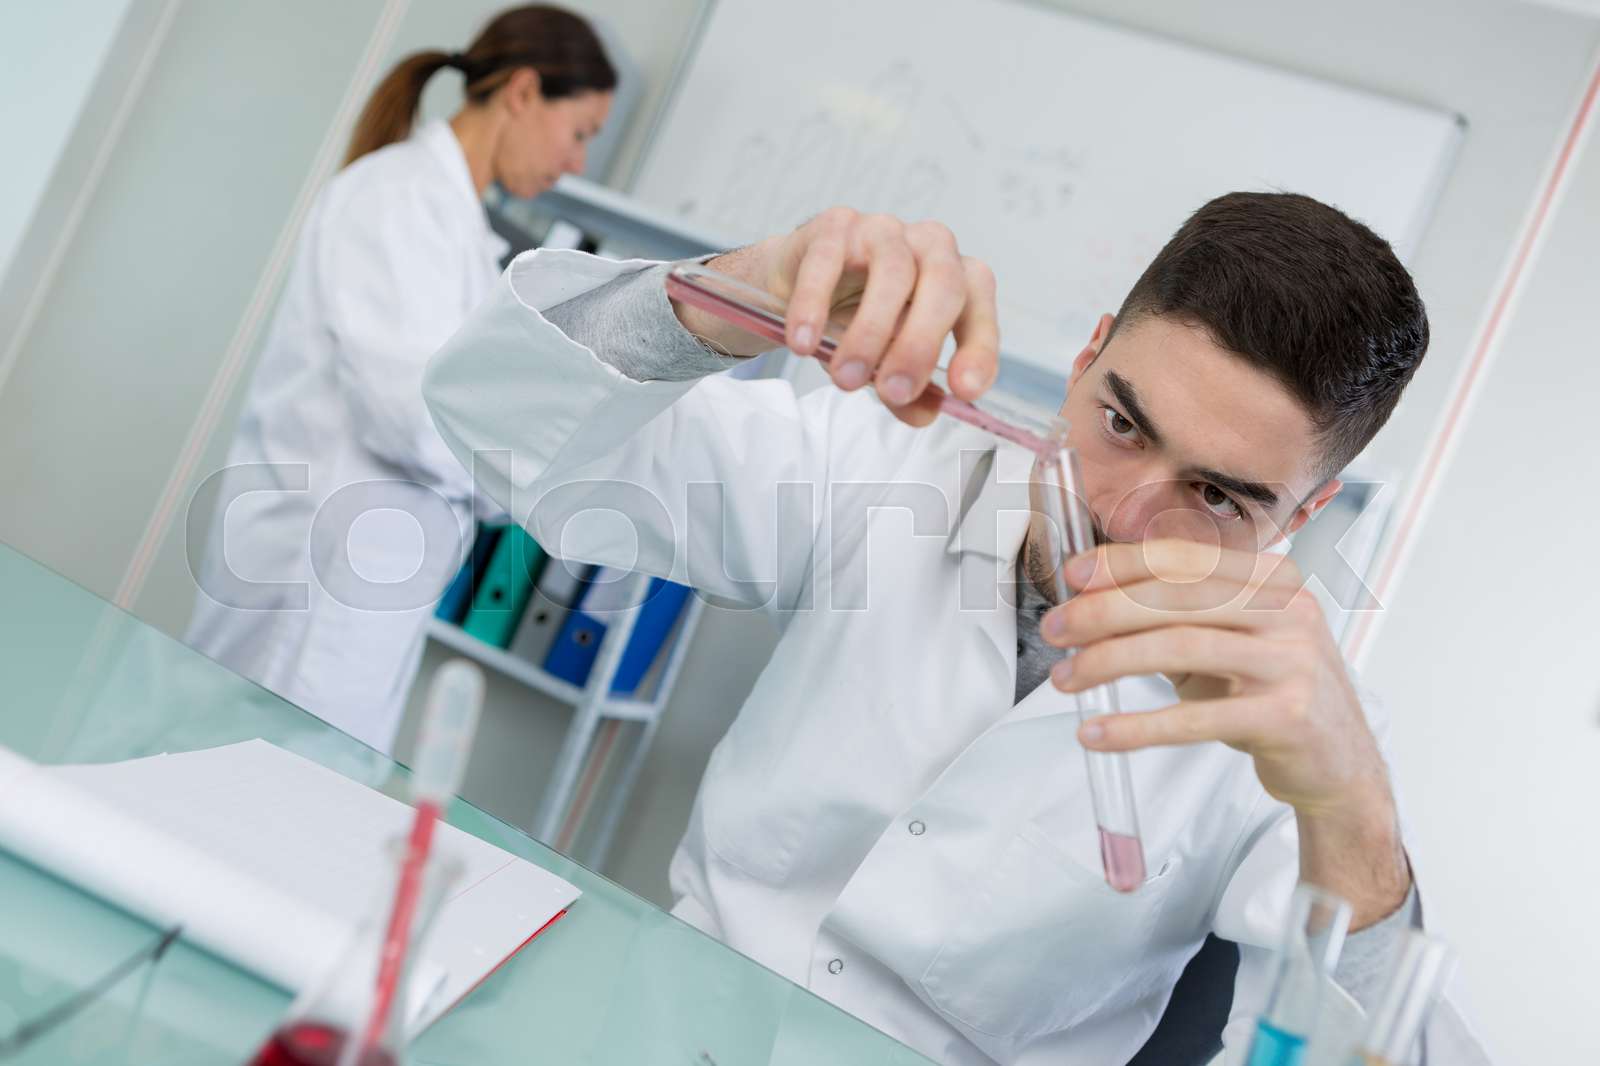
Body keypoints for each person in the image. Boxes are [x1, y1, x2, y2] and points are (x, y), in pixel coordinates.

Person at [422, 197, 1433, 1063]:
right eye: (1122, 424)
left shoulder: (1300, 735)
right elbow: (506, 437)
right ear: (1086, 361)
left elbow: (1375, 1042)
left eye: (1216, 495)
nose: (1125, 514)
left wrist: (1350, 811)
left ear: (1301, 516)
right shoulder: (887, 470)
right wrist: (731, 294)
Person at [186, 6, 615, 753]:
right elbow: (415, 418)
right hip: (310, 597)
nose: (576, 161)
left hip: (364, 600)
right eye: (578, 132)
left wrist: (506, 460)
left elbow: (461, 428)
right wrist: (523, 464)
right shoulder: (397, 199)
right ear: (521, 93)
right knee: (235, 810)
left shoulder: (458, 231)